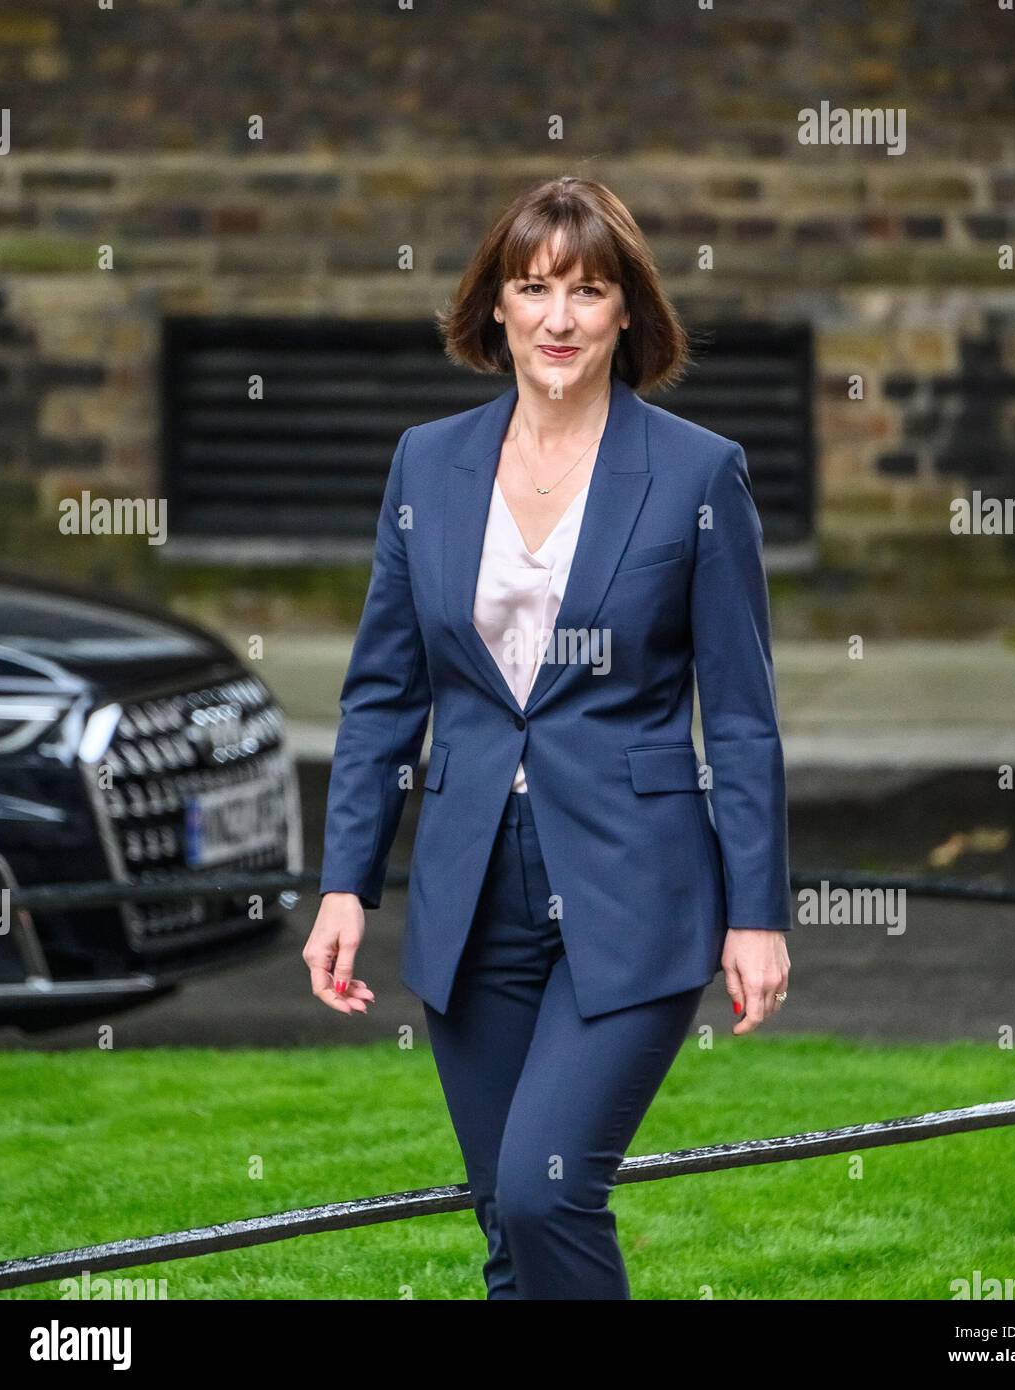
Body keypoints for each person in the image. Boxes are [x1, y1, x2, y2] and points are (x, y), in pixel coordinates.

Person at [303, 174, 792, 1300]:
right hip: (471, 892)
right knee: (505, 1231)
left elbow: (745, 713)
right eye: (533, 288)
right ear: (494, 310)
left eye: (587, 289)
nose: (558, 318)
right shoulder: (426, 464)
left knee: (544, 1188)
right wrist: (345, 884)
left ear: (629, 313)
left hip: (636, 885)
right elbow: (382, 692)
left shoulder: (694, 471)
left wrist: (758, 910)